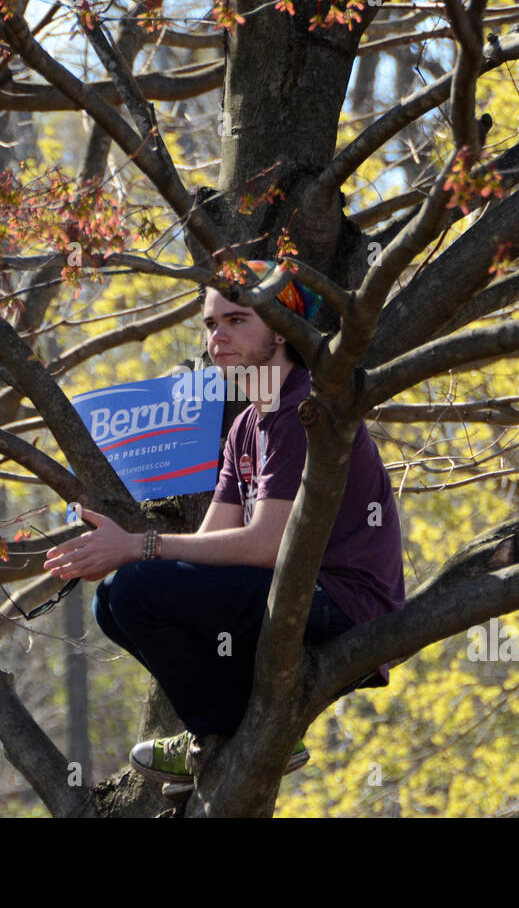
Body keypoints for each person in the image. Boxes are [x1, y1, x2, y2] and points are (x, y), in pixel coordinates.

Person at [44, 276, 405, 788]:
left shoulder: (302, 407)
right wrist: (116, 551)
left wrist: (134, 548)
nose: (218, 338)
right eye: (212, 324)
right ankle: (222, 735)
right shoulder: (244, 428)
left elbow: (263, 546)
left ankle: (225, 729)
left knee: (133, 589)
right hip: (286, 594)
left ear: (281, 331)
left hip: (344, 603)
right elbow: (213, 546)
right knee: (115, 600)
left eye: (237, 321)